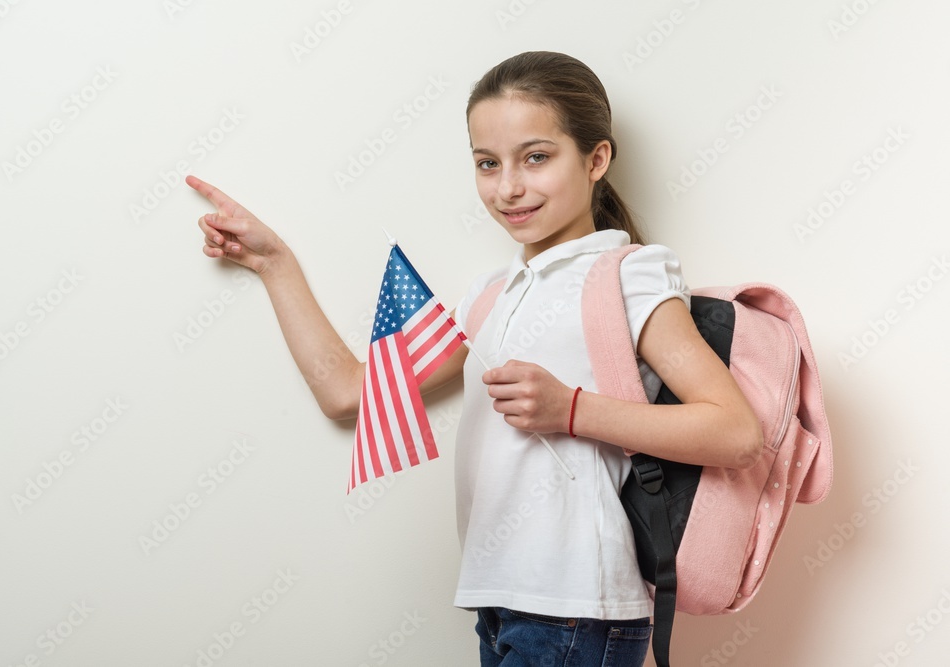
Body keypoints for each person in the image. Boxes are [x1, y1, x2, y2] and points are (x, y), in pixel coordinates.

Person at [188, 51, 761, 667]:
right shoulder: (490, 295)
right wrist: (275, 263)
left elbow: (734, 430)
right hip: (499, 600)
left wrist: (570, 409)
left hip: (576, 606)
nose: (508, 186)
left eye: (536, 157)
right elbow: (350, 393)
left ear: (596, 159)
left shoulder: (627, 274)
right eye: (488, 164)